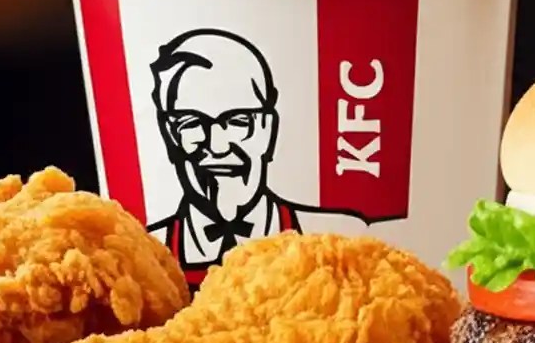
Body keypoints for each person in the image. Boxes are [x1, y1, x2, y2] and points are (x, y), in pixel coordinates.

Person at [146, 29, 370, 284]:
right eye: (192, 123)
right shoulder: (143, 258)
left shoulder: (340, 242)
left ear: (267, 130)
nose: (218, 147)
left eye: (238, 121)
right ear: (169, 135)